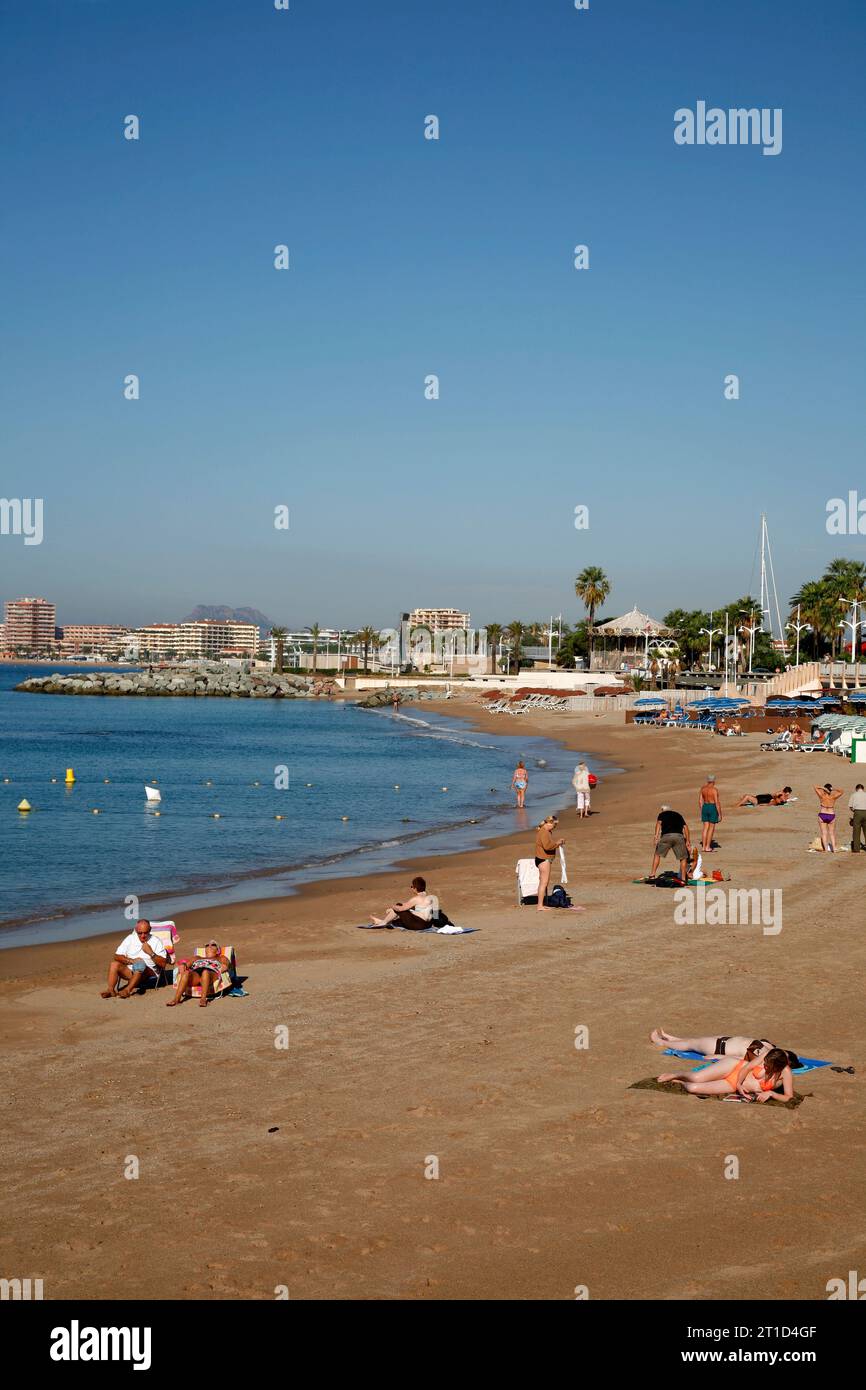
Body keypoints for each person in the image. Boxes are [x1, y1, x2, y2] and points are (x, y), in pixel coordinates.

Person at [658, 1046, 795, 1101]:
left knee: (692, 1088)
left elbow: (789, 1097)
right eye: (764, 1062)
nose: (763, 1065)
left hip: (732, 1084)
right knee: (696, 1077)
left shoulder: (785, 1072)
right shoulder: (768, 1055)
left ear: (777, 1066)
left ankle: (681, 1081)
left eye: (767, 1065)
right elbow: (747, 1068)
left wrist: (771, 1093)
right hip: (734, 1067)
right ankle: (676, 1074)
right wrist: (740, 1085)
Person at [649, 1027, 799, 1065]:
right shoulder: (770, 1048)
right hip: (723, 1040)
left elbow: (740, 1058)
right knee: (694, 1041)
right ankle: (673, 1038)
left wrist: (717, 1057)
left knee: (692, 1044)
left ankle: (661, 1042)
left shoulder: (760, 1058)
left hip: (717, 1048)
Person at [101, 919, 169, 999]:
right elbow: (117, 956)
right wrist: (131, 961)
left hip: (148, 972)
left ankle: (127, 990)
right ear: (136, 930)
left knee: (140, 964)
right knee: (114, 964)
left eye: (145, 932)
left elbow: (163, 964)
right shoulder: (130, 939)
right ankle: (110, 990)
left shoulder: (156, 941)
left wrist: (151, 953)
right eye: (140, 933)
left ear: (150, 930)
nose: (143, 936)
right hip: (130, 970)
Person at [167, 940, 232, 1007]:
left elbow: (227, 964)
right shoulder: (197, 957)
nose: (209, 946)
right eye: (207, 945)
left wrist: (225, 966)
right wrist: (183, 965)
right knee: (186, 972)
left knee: (205, 972)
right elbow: (187, 964)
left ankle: (203, 999)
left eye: (213, 945)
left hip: (211, 973)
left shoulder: (220, 958)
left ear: (218, 950)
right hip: (196, 974)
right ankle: (176, 999)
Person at [370, 876, 440, 929]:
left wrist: (392, 907)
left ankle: (383, 922)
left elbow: (401, 909)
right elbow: (435, 915)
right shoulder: (432, 898)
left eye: (412, 886)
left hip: (418, 925)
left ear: (415, 888)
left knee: (398, 905)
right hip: (428, 925)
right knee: (401, 919)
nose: (411, 888)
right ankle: (382, 921)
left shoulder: (416, 899)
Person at [650, 805, 691, 882]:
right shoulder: (678, 815)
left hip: (666, 836)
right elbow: (685, 827)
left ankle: (652, 874)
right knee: (683, 858)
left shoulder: (662, 814)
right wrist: (688, 840)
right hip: (679, 837)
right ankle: (683, 878)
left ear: (662, 810)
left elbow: (658, 824)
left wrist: (656, 837)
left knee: (657, 855)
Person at [534, 814, 563, 912]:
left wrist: (556, 844)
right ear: (550, 823)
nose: (554, 828)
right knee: (543, 883)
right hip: (543, 859)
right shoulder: (544, 832)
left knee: (543, 882)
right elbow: (547, 846)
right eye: (554, 826)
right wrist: (557, 843)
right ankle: (540, 906)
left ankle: (542, 904)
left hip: (541, 858)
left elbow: (547, 845)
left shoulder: (544, 831)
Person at [814, 782, 844, 852]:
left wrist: (823, 788)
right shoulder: (833, 797)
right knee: (832, 833)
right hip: (831, 815)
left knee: (824, 833)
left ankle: (826, 850)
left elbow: (815, 787)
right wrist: (832, 789)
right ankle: (834, 849)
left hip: (822, 814)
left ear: (824, 790)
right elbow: (842, 791)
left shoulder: (821, 796)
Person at [698, 775, 722, 852]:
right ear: (714, 781)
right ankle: (707, 847)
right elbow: (717, 803)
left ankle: (703, 847)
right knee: (711, 828)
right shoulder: (714, 790)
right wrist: (720, 814)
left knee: (705, 828)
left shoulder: (703, 789)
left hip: (705, 806)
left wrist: (702, 810)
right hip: (712, 807)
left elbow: (700, 801)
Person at [849, 783, 866, 853]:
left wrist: (855, 811)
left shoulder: (854, 795)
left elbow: (850, 806)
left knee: (856, 831)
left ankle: (856, 849)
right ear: (863, 789)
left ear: (856, 789)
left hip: (857, 812)